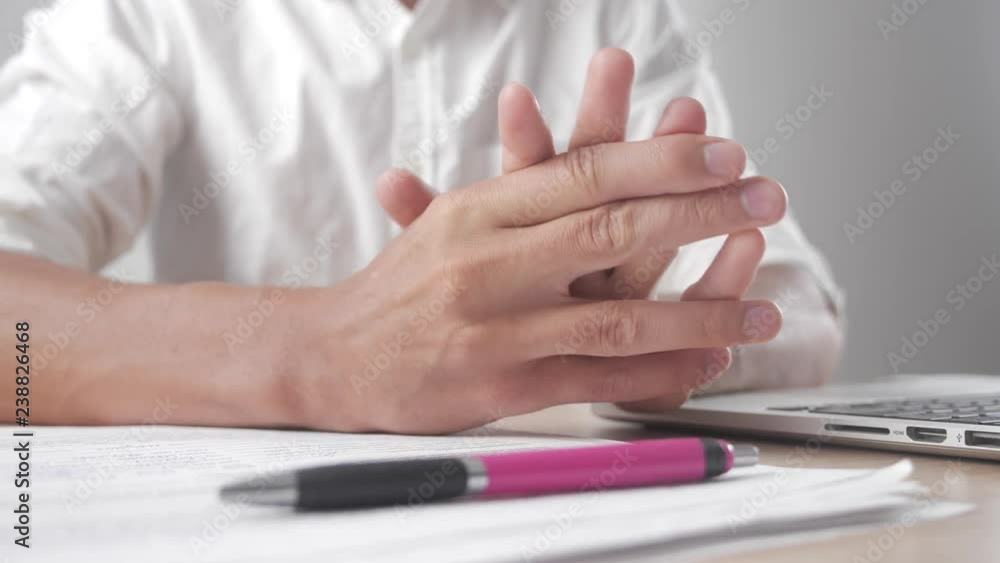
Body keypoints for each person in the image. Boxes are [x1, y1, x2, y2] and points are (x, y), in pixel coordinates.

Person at [0, 0, 842, 434]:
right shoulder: (147, 19)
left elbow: (794, 308)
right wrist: (323, 350)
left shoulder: (609, 13)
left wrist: (624, 337)